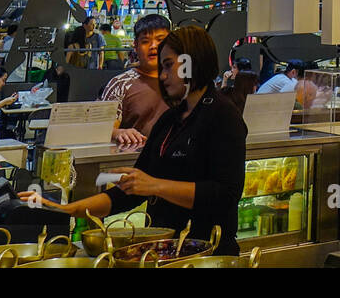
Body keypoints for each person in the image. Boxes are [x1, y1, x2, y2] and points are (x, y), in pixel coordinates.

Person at [20, 25, 247, 255]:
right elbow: (129, 192)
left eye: (169, 65)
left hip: (208, 255)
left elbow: (225, 195)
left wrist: (156, 185)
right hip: (167, 251)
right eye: (162, 67)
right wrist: (66, 209)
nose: (164, 75)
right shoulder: (170, 119)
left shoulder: (223, 116)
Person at [99, 13, 172, 147]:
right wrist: (118, 133)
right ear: (135, 46)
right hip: (135, 162)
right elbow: (101, 129)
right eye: (145, 41)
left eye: (160, 40)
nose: (153, 46)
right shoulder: (121, 84)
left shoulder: (184, 82)